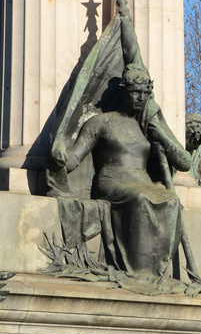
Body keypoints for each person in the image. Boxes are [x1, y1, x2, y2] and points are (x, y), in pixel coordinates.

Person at [50, 64, 191, 279]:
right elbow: (75, 157)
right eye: (136, 92)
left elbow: (185, 163)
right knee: (140, 198)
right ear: (123, 91)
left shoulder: (148, 128)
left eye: (146, 93)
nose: (141, 97)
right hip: (113, 181)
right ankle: (139, 272)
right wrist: (59, 157)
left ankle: (157, 271)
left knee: (171, 201)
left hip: (143, 181)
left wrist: (161, 135)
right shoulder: (101, 122)